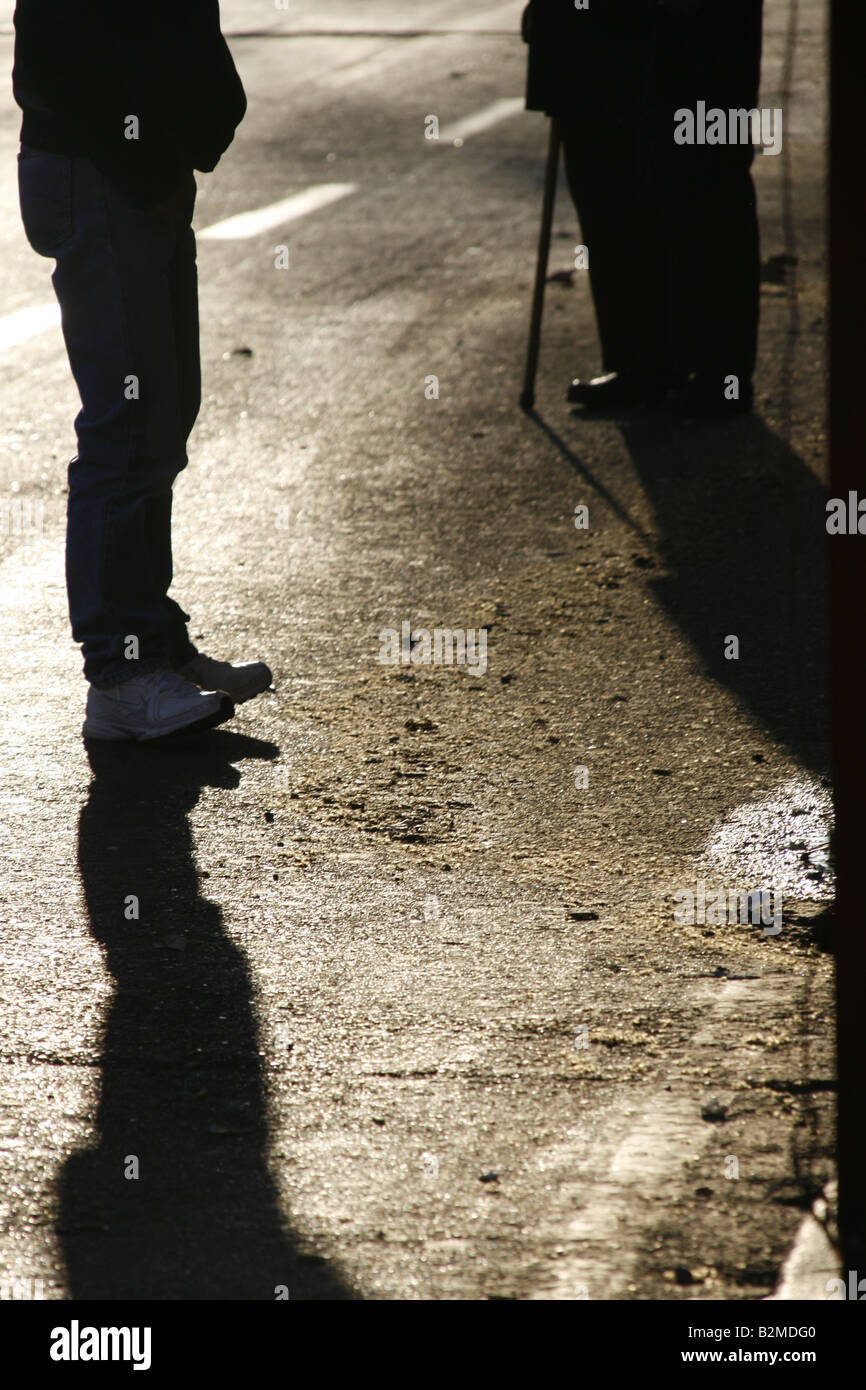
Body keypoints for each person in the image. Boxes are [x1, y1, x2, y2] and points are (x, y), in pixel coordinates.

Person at [13, 1, 273, 740]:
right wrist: (148, 135)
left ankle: (151, 644)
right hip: (102, 163)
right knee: (127, 424)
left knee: (161, 412)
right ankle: (121, 676)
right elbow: (83, 44)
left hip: (141, 161)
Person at [523, 0, 764, 416]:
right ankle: (641, 364)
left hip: (695, 28)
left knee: (704, 180)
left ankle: (719, 374)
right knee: (606, 182)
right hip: (594, 26)